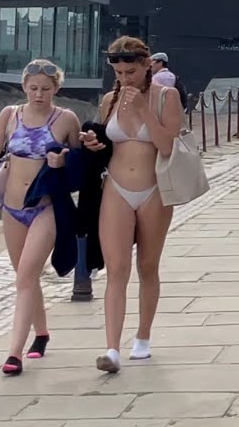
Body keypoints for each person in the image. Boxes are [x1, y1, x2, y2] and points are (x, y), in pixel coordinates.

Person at [0, 59, 81, 376]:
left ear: (56, 89)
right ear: (24, 88)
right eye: (33, 88)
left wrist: (63, 160)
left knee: (24, 278)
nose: (39, 94)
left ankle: (14, 353)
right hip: (11, 207)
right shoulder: (10, 115)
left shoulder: (66, 119)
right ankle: (42, 333)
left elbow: (81, 165)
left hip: (45, 207)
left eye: (46, 89)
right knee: (25, 275)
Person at [79, 37, 183, 374]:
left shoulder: (167, 96)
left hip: (154, 187)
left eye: (132, 71)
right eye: (120, 72)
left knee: (148, 266)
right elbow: (108, 144)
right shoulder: (109, 99)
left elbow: (167, 145)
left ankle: (143, 337)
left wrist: (141, 109)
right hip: (116, 187)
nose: (126, 78)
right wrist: (94, 143)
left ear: (147, 64)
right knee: (116, 269)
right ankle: (111, 348)